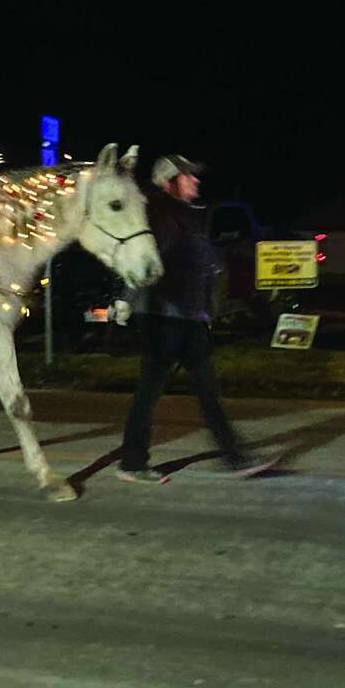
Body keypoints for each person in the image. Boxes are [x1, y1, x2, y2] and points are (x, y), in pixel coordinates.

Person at [116, 154, 271, 483]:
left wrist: (208, 310)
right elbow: (142, 260)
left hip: (190, 318)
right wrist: (126, 300)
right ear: (168, 181)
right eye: (188, 175)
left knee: (207, 391)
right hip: (162, 316)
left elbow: (202, 266)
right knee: (150, 391)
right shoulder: (157, 213)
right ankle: (132, 462)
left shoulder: (189, 215)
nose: (196, 180)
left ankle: (234, 457)